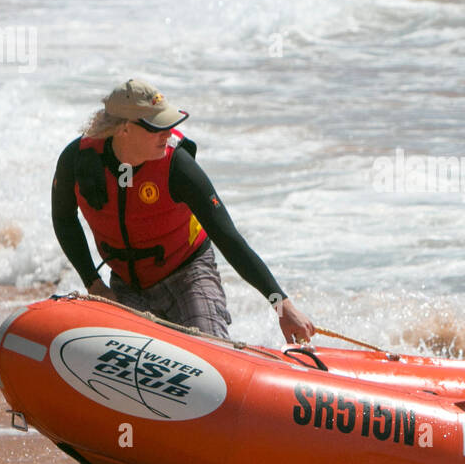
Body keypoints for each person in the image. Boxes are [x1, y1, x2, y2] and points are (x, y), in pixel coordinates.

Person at [51, 80, 316, 344]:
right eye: (157, 128)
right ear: (124, 129)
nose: (168, 133)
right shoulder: (77, 160)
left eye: (169, 125)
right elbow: (63, 218)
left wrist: (282, 305)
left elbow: (227, 237)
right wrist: (94, 284)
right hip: (126, 285)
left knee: (210, 349)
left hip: (189, 276)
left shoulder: (177, 166)